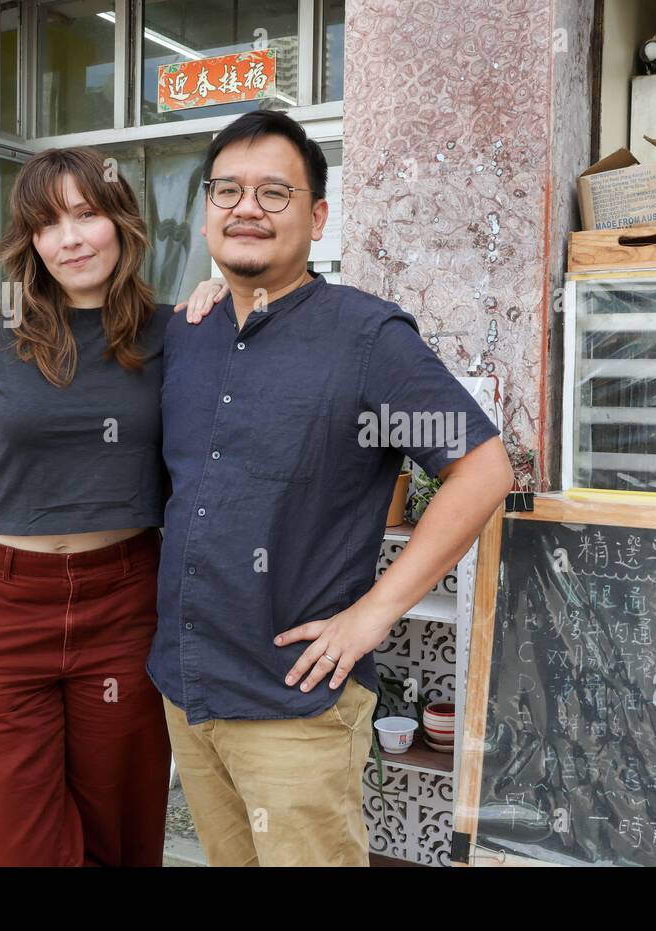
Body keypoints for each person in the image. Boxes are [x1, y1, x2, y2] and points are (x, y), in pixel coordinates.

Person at [153, 109, 515, 867]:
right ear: (205, 213)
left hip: (294, 705)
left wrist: (376, 613)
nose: (246, 207)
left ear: (318, 217)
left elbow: (483, 468)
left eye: (274, 193)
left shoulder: (366, 337)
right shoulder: (185, 329)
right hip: (188, 690)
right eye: (227, 190)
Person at [0, 146, 180, 866]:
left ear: (121, 221)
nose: (70, 238)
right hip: (4, 606)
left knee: (119, 832)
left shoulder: (174, 334)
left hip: (125, 607)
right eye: (48, 223)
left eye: (86, 214)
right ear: (30, 241)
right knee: (8, 842)